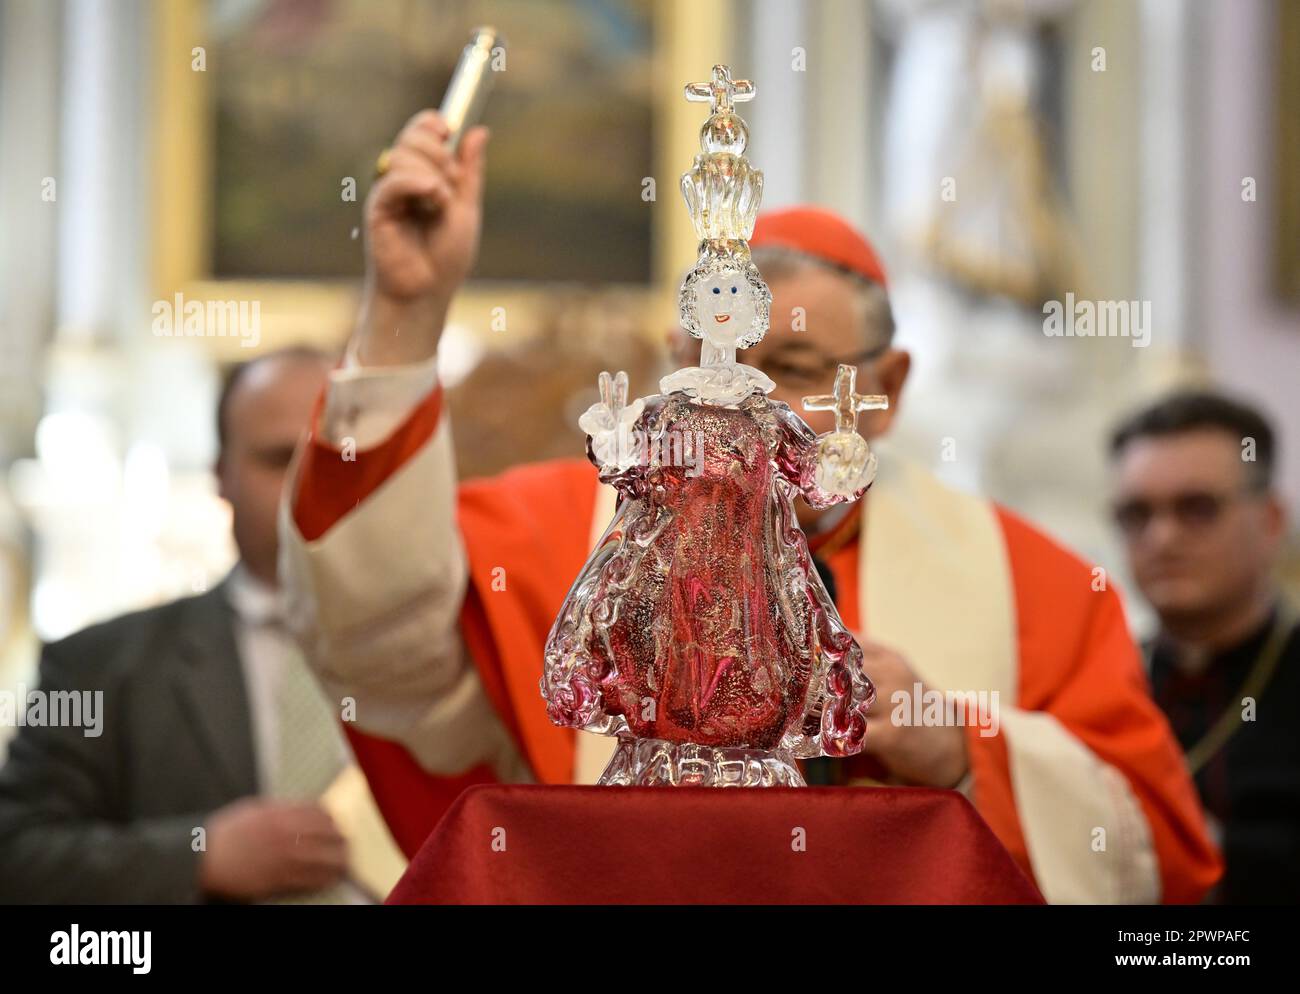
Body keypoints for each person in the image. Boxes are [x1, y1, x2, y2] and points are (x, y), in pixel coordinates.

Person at [281, 109, 1221, 903]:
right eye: (715, 354)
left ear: (886, 388)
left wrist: (963, 747)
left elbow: (1162, 857)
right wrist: (404, 315)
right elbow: (371, 634)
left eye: (798, 370)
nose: (747, 391)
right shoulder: (542, 535)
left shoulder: (1034, 587)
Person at [0, 348, 367, 903]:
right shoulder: (99, 665)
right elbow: (18, 859)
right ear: (222, 475)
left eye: (336, 460)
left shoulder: (454, 657)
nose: (310, 486)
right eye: (278, 458)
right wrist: (199, 855)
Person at [1109, 390, 1298, 903]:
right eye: (1137, 514)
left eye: (1197, 509)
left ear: (1271, 521)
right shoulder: (1095, 677)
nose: (1163, 538)